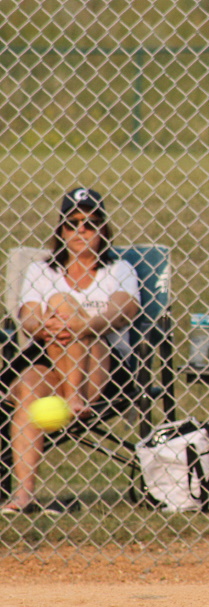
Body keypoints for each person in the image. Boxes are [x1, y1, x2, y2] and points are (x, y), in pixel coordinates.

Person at [2, 187, 140, 514]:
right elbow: (29, 318)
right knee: (29, 386)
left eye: (90, 223)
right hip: (47, 359)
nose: (81, 230)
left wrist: (82, 323)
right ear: (61, 229)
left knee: (64, 305)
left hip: (102, 365)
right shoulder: (42, 270)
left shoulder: (118, 270)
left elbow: (123, 310)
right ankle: (24, 496)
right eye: (72, 222)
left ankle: (75, 393)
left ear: (103, 229)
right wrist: (49, 324)